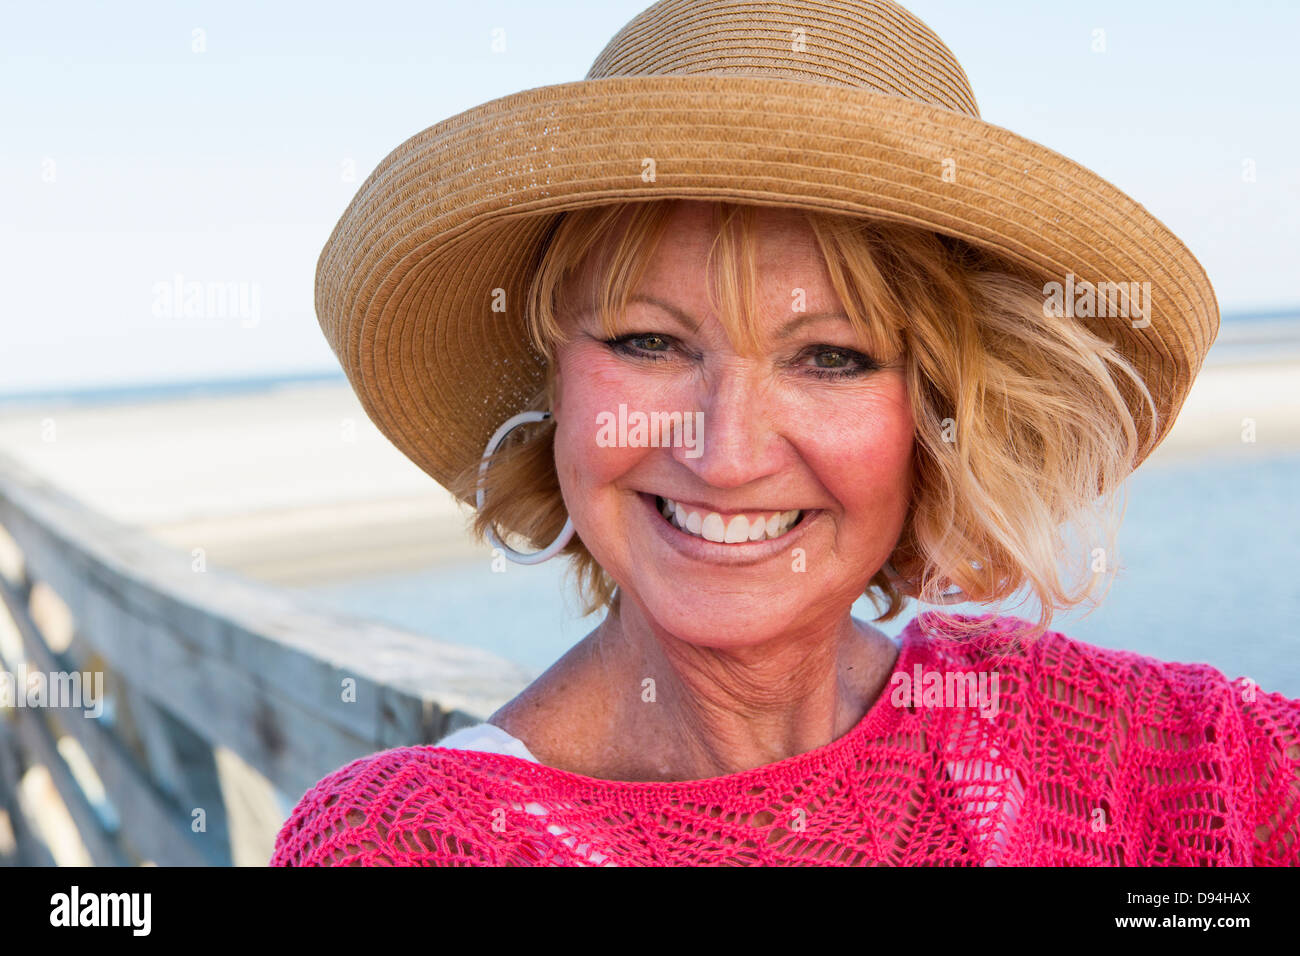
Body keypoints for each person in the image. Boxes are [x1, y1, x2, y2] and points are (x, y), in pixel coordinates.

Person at [270, 0, 1299, 865]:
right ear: (554, 383)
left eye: (830, 357)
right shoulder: (408, 845)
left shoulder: (1125, 754)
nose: (727, 452)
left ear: (937, 418)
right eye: (647, 339)